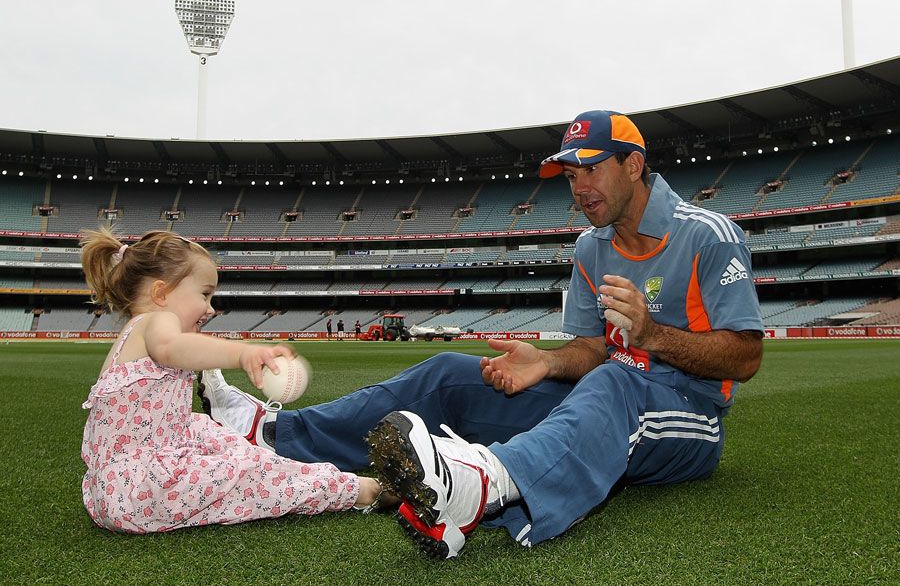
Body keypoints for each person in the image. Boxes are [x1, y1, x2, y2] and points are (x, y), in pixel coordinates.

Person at [200, 110, 763, 558]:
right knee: (449, 372)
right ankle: (273, 432)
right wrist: (546, 362)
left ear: (634, 165)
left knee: (619, 379)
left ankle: (481, 487)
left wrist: (652, 336)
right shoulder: (591, 246)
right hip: (605, 395)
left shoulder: (709, 236)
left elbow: (745, 357)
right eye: (571, 176)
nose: (579, 187)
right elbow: (592, 349)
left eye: (591, 169)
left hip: (687, 418)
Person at [79, 228, 388, 534]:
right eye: (204, 294)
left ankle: (295, 469)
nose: (210, 308)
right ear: (161, 293)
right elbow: (172, 348)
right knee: (244, 473)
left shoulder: (138, 328)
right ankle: (352, 490)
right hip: (141, 489)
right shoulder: (159, 321)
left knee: (217, 437)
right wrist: (243, 354)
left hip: (120, 487)